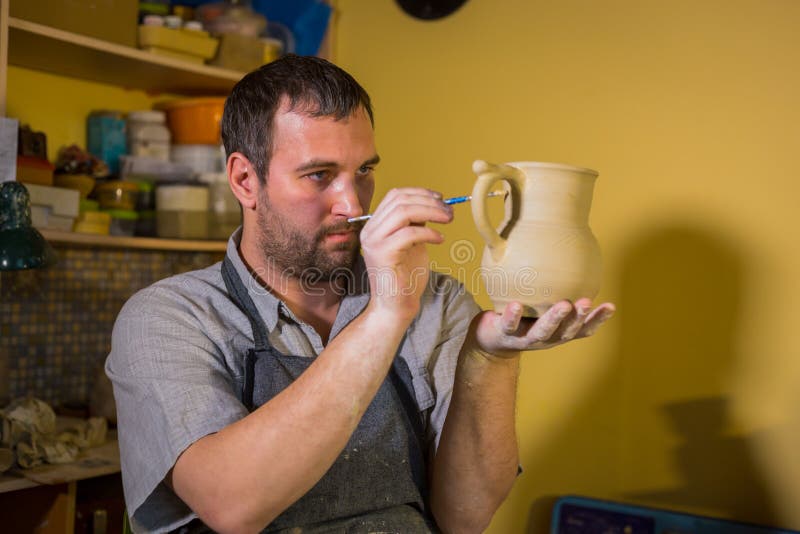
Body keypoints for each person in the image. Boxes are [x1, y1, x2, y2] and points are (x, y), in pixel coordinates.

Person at [106, 54, 615, 534]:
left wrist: (489, 358)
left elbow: (464, 518)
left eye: (364, 171)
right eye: (319, 175)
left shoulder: (434, 301)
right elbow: (231, 505)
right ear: (245, 179)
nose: (351, 203)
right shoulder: (168, 317)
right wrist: (385, 315)